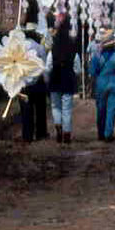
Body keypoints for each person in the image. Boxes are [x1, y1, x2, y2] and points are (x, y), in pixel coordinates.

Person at [46, 14, 80, 144]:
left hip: (55, 80)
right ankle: (66, 134)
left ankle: (58, 128)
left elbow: (48, 67)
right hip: (68, 81)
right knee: (67, 108)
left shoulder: (53, 49)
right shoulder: (72, 47)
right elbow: (77, 68)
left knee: (55, 106)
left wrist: (49, 76)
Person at [90, 28, 115, 142]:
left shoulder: (96, 56)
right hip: (114, 83)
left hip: (101, 84)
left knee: (101, 109)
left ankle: (101, 133)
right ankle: (108, 133)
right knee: (111, 109)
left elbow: (92, 72)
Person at [19, 22, 48, 142]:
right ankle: (41, 133)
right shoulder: (40, 47)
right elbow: (44, 66)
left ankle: (27, 135)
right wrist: (46, 81)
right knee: (40, 109)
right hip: (38, 81)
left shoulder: (19, 47)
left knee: (26, 109)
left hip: (24, 82)